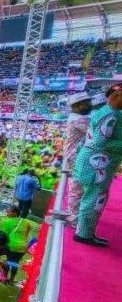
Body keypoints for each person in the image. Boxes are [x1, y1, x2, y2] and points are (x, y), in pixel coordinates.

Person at [73, 83, 122, 246]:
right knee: (94, 200)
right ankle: (84, 235)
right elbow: (101, 142)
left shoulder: (110, 112)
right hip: (97, 165)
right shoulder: (110, 114)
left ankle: (86, 232)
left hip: (97, 164)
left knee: (95, 199)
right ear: (116, 95)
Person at [63, 92, 93, 227]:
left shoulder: (77, 117)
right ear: (76, 106)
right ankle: (74, 217)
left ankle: (75, 214)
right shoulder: (78, 119)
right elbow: (98, 130)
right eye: (85, 103)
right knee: (77, 187)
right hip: (76, 157)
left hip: (77, 156)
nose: (89, 105)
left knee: (79, 186)